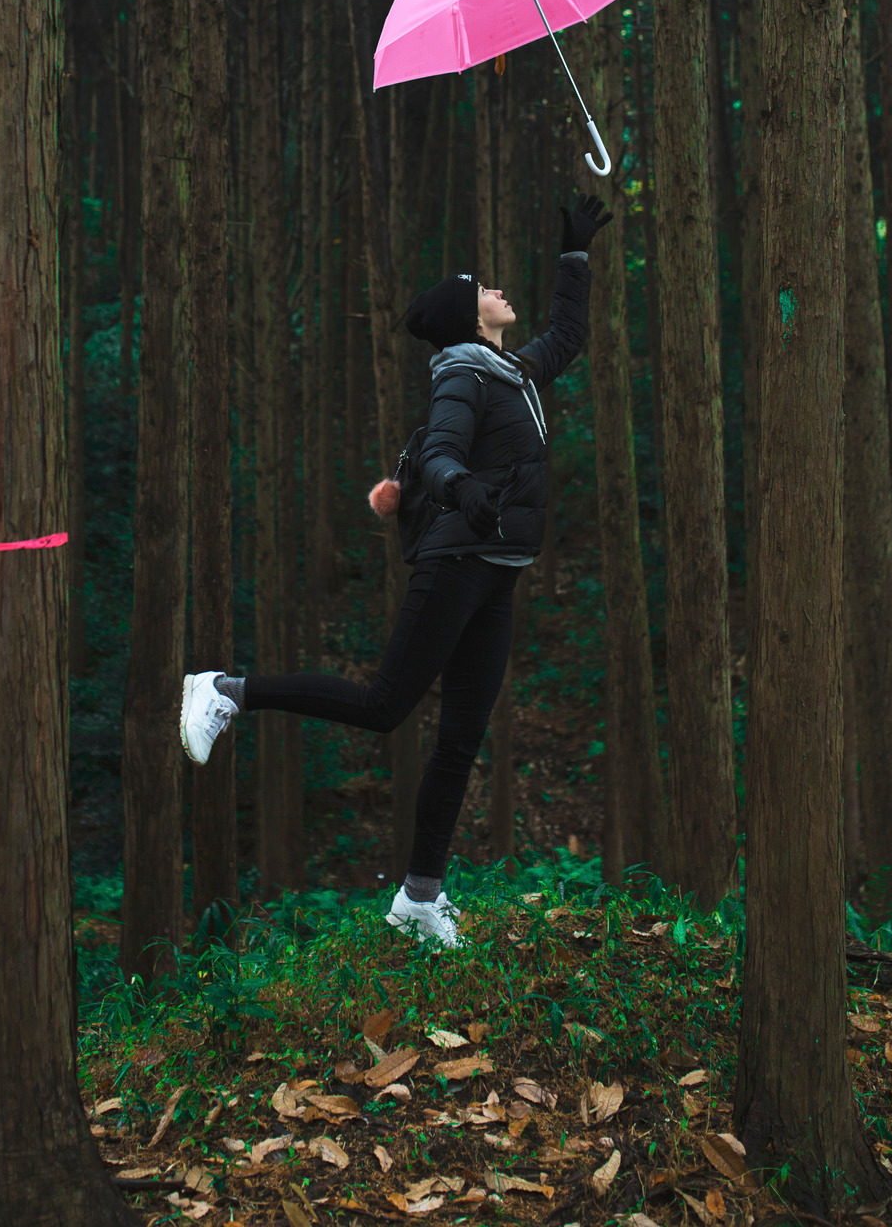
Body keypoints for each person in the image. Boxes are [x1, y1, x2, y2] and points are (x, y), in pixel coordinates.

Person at [179, 191, 612, 947]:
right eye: (485, 290)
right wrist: (459, 487)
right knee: (383, 704)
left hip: (497, 571)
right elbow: (443, 452)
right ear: (468, 318)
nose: (499, 291)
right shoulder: (464, 377)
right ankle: (225, 691)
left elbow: (568, 336)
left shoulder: (510, 371)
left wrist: (574, 252)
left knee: (461, 738)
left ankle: (419, 898)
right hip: (456, 565)